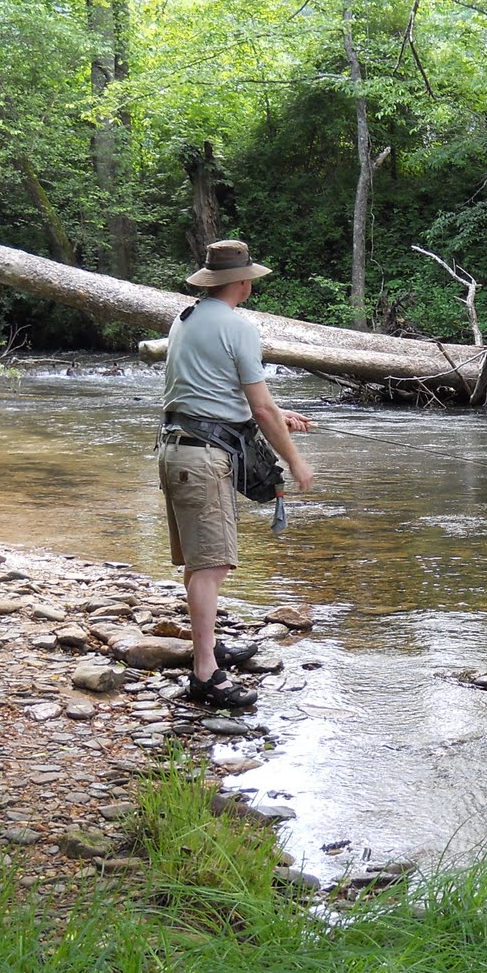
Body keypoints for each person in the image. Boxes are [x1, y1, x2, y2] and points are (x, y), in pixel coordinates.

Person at [158, 239, 315, 710]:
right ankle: (206, 674)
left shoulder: (185, 319)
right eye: (250, 277)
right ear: (241, 283)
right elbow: (260, 407)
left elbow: (214, 389)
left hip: (176, 450)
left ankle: (209, 650)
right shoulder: (240, 328)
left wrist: (278, 412)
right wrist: (296, 461)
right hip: (204, 459)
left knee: (200, 564)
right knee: (213, 566)